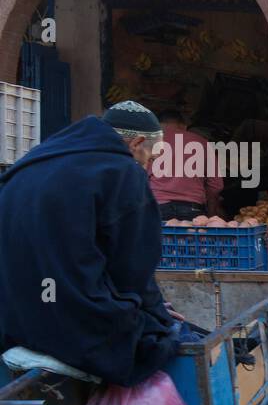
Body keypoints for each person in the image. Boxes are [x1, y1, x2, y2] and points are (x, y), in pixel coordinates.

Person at [0, 101, 179, 386]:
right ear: (138, 143)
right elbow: (133, 270)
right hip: (72, 328)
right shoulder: (122, 171)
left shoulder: (32, 162)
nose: (150, 166)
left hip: (13, 320)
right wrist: (157, 315)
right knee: (165, 336)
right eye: (153, 157)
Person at [150, 109, 223, 221]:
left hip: (158, 206)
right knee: (191, 238)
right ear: (184, 126)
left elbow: (140, 178)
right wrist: (212, 214)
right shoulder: (203, 142)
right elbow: (215, 185)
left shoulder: (151, 142)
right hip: (193, 208)